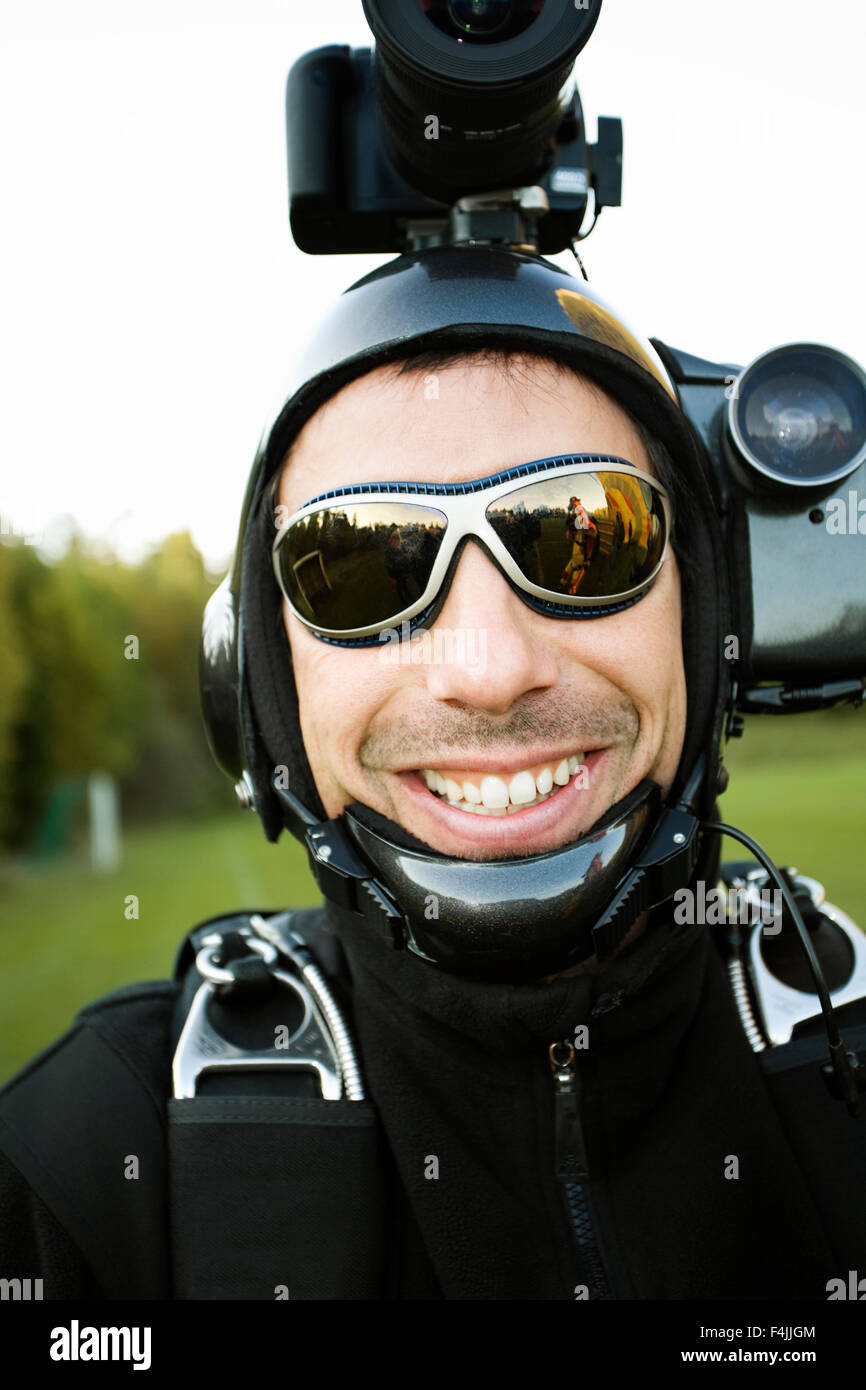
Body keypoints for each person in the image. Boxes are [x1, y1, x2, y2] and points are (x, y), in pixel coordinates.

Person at [1, 246, 864, 1303]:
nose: (491, 670)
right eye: (364, 562)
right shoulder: (79, 1169)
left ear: (705, 617)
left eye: (582, 537)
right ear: (261, 684)